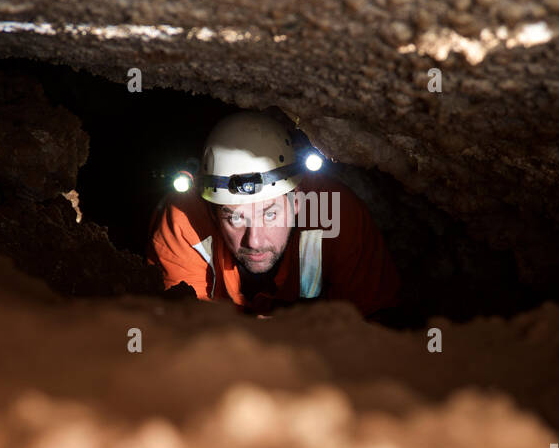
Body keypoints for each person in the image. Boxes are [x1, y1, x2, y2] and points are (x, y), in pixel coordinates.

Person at [147, 111, 400, 317]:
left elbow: (376, 321)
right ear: (213, 213)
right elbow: (181, 332)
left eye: (270, 215)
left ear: (297, 201)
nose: (254, 241)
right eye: (234, 218)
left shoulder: (336, 212)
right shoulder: (183, 220)